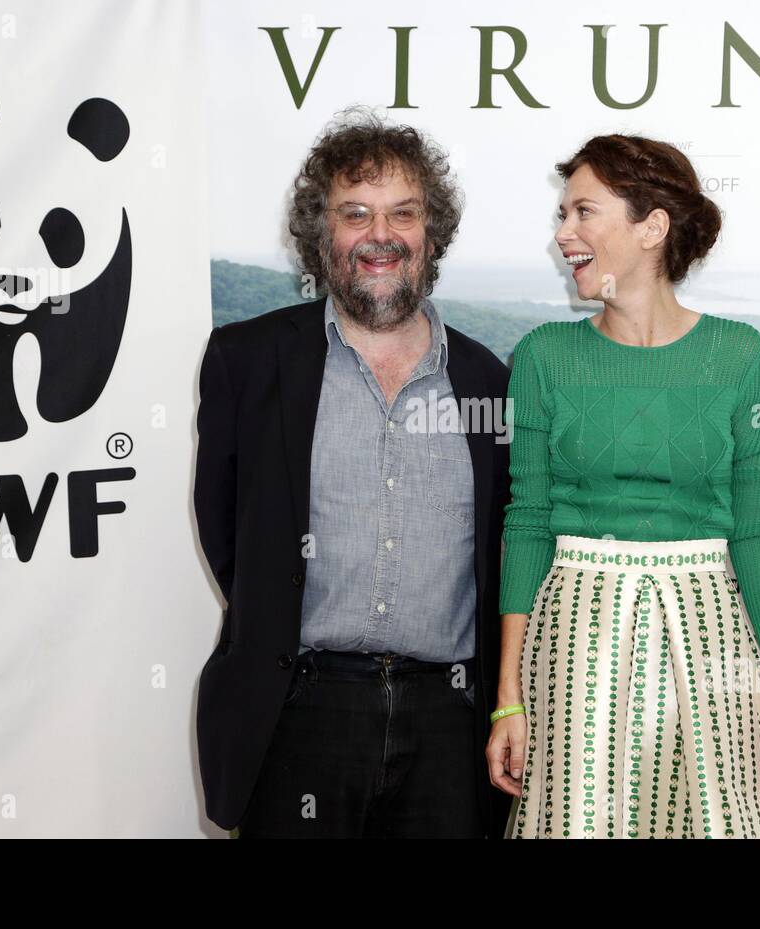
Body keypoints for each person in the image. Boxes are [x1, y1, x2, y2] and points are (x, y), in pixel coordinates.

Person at [485, 134, 760, 838]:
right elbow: (529, 520)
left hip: (711, 633)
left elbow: (756, 528)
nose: (562, 234)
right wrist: (508, 699)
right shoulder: (544, 356)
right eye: (561, 214)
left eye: (583, 212)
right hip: (574, 637)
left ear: (652, 228)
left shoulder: (741, 356)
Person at [193, 108, 513, 838]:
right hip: (298, 714)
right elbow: (227, 529)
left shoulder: (487, 380)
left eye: (404, 212)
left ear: (431, 233)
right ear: (322, 233)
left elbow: (501, 549)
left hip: (450, 725)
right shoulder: (247, 363)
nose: (381, 235)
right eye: (355, 213)